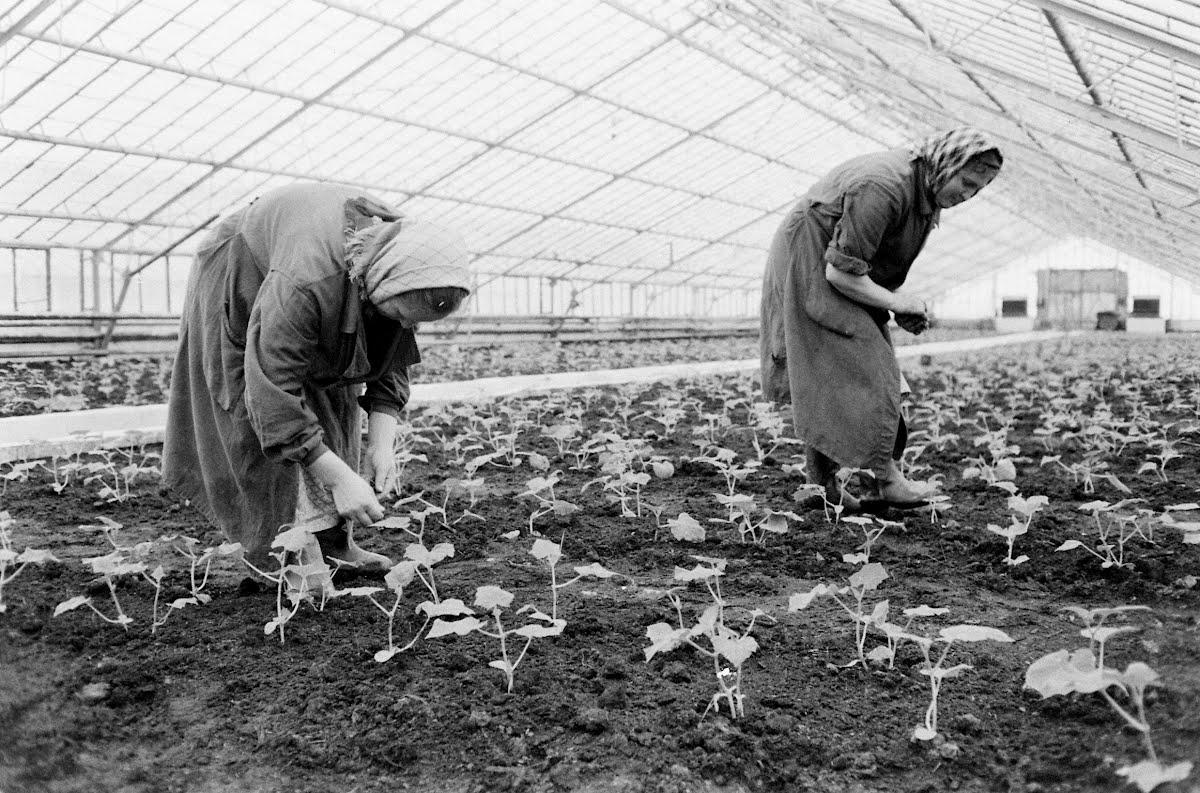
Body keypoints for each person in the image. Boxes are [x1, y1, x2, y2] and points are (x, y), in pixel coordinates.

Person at [163, 182, 472, 573]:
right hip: (240, 269)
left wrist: (382, 447)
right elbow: (272, 389)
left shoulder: (406, 260)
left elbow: (390, 358)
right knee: (252, 403)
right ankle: (284, 556)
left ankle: (332, 543)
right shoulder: (306, 280)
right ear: (377, 285)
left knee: (337, 393)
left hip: (321, 273)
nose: (407, 326)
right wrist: (340, 480)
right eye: (400, 315)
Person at [760, 127, 1003, 511]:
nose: (968, 195)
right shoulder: (884, 187)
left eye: (979, 189)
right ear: (946, 164)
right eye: (967, 183)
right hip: (809, 261)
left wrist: (896, 306)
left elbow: (869, 262)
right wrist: (897, 303)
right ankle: (885, 479)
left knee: (832, 373)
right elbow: (840, 272)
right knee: (869, 367)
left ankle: (827, 487)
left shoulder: (923, 189)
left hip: (837, 268)